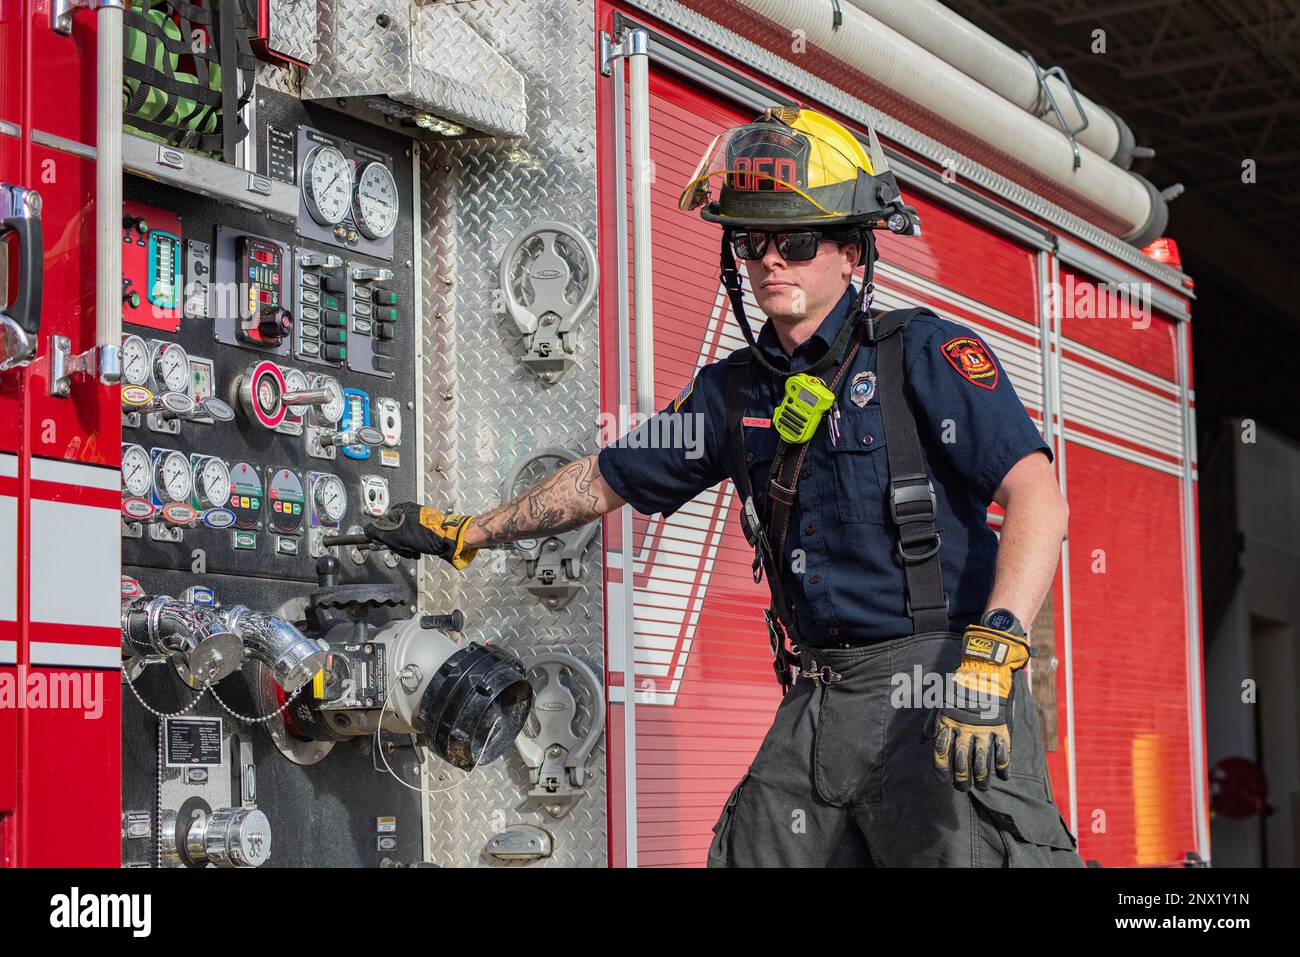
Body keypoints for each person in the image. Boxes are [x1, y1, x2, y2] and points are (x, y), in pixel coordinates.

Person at [364, 107, 1083, 867]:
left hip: (942, 682)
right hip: (820, 697)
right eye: (752, 242)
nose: (772, 261)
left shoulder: (925, 355)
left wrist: (996, 645)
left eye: (797, 241)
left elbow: (1038, 494)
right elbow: (603, 478)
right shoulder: (730, 396)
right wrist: (466, 530)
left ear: (849, 252)